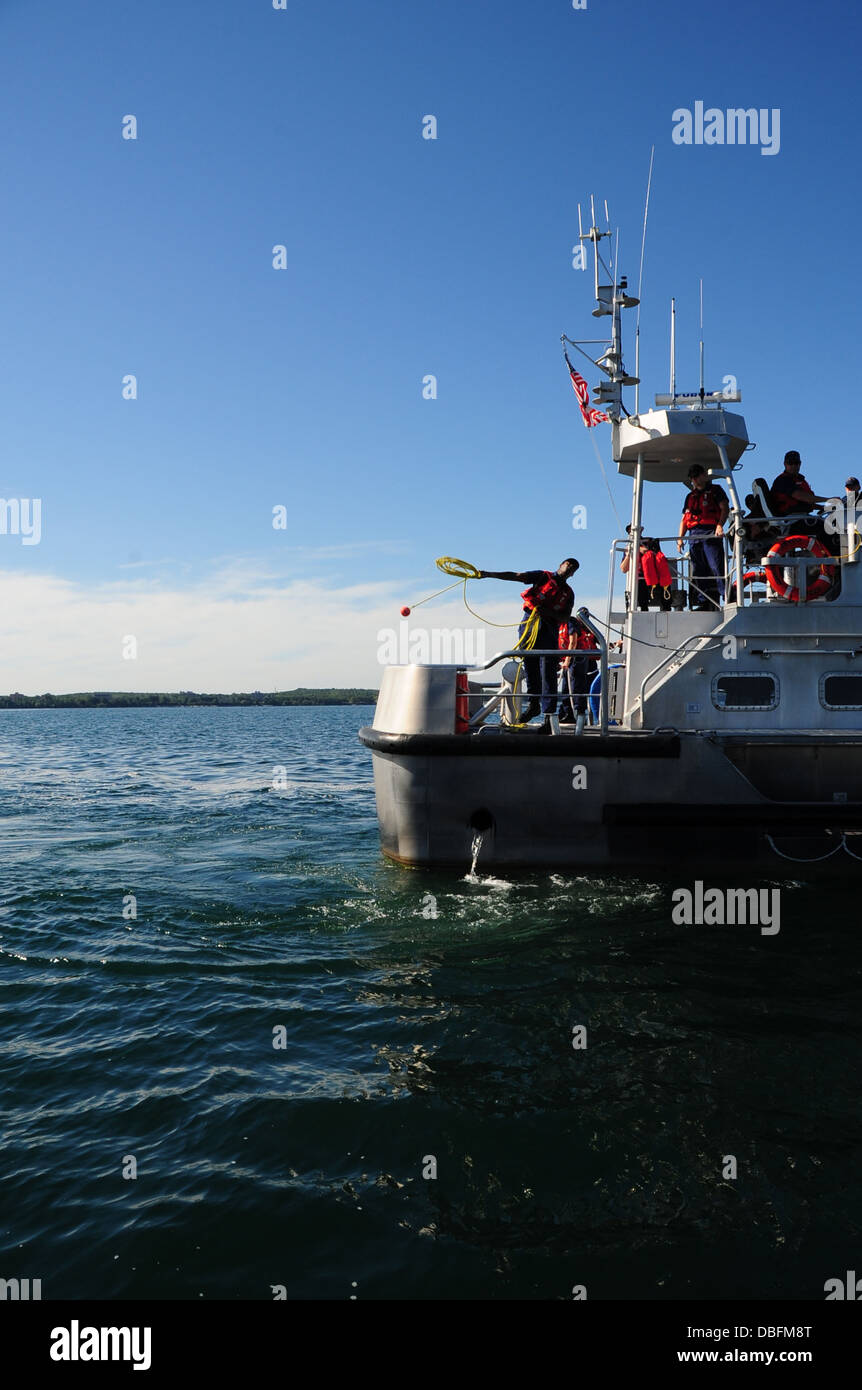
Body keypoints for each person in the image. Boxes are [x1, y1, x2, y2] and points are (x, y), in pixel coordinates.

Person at [478, 559, 578, 723]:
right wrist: (489, 574)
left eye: (573, 569)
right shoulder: (542, 577)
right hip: (529, 625)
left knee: (548, 673)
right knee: (530, 667)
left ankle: (548, 717)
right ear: (561, 565)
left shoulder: (568, 593)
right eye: (569, 565)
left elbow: (565, 617)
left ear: (573, 574)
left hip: (548, 631)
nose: (570, 569)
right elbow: (516, 576)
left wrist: (546, 611)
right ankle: (533, 704)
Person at [677, 464, 729, 610]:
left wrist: (720, 525)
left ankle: (726, 597)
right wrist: (680, 538)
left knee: (716, 566)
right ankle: (703, 601)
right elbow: (684, 520)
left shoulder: (716, 491)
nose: (694, 479)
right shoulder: (689, 497)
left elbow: (724, 508)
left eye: (696, 475)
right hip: (693, 535)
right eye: (692, 477)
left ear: (704, 476)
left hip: (710, 532)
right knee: (698, 569)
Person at [558, 616, 600, 724]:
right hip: (568, 661)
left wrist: (567, 659)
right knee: (566, 689)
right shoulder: (559, 625)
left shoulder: (571, 622)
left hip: (577, 660)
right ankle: (568, 714)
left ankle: (580, 716)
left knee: (576, 688)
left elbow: (573, 642)